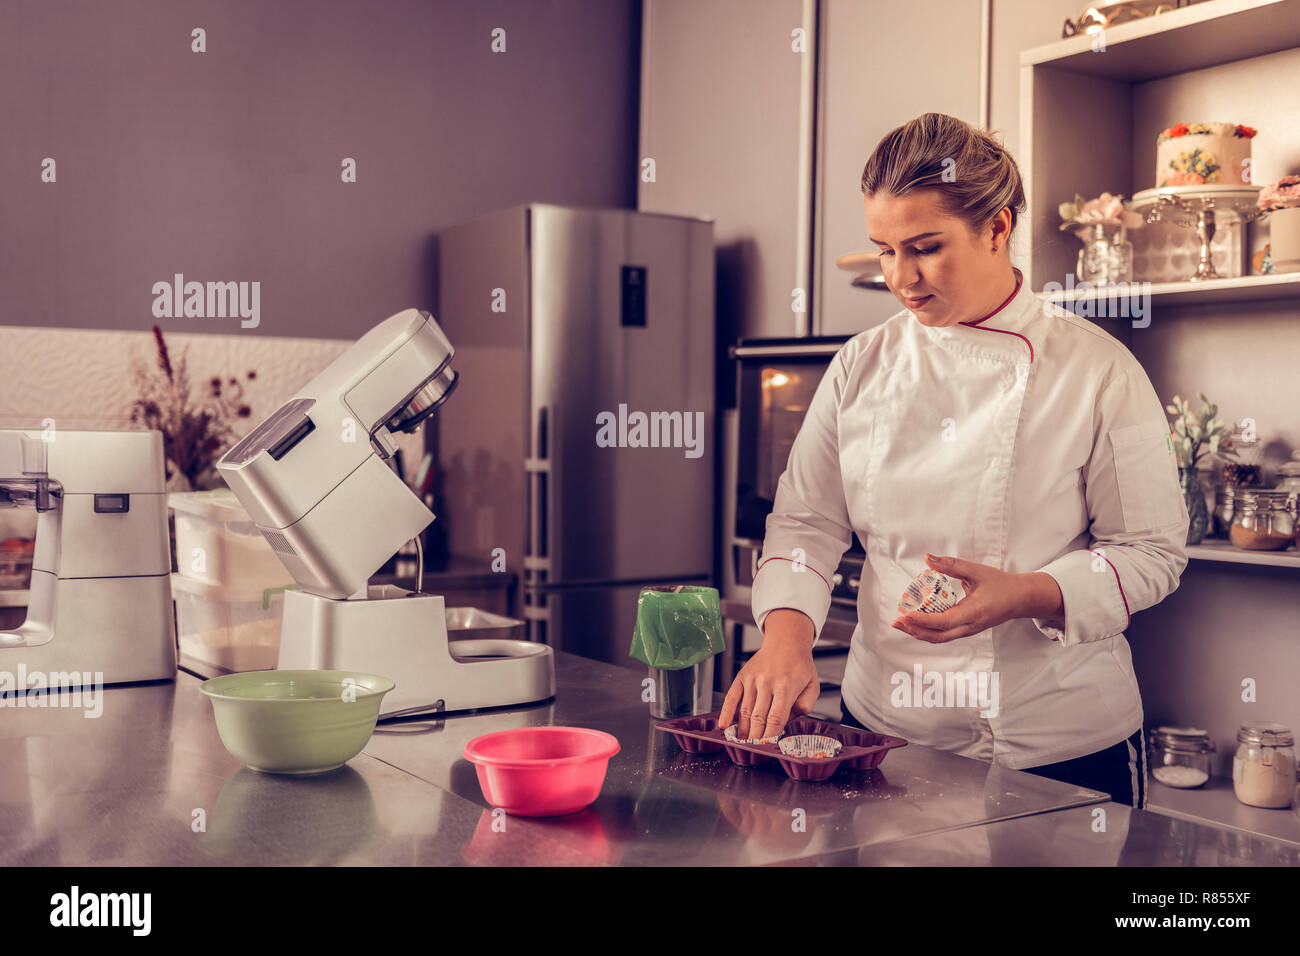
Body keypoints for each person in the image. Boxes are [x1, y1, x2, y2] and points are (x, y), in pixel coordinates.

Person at [719, 112, 1188, 809]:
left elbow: (1151, 552)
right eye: (884, 251)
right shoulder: (861, 365)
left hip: (1059, 742)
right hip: (887, 731)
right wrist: (786, 638)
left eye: (925, 248)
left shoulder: (1096, 368)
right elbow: (806, 524)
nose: (901, 278)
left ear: (996, 227)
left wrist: (1025, 593)